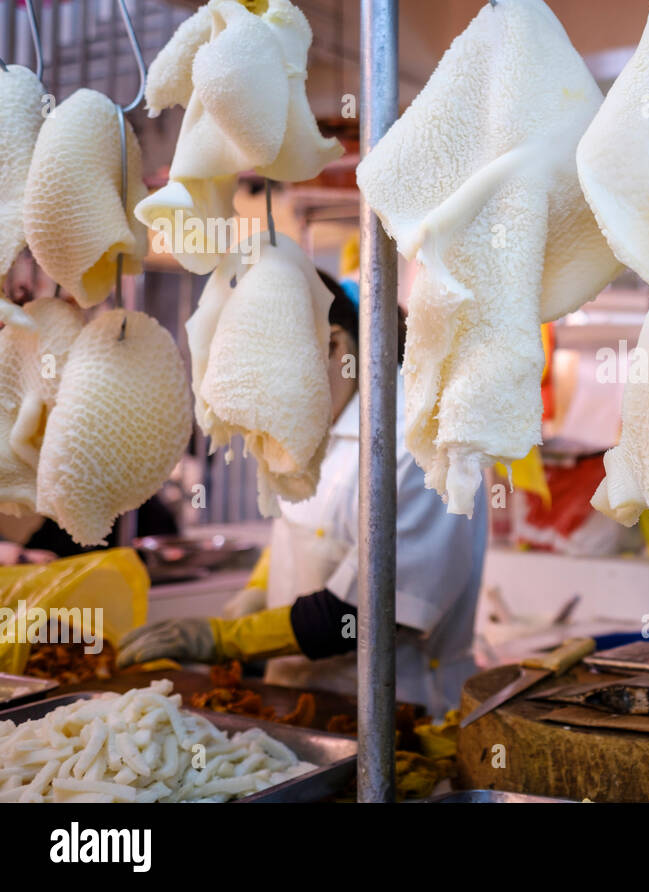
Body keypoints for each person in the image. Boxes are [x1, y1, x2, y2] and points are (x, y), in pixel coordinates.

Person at [118, 272, 487, 718]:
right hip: (302, 701)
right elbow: (299, 533)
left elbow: (370, 613)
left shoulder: (420, 441)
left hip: (398, 712)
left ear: (334, 347)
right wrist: (253, 598)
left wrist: (223, 639)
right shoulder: (315, 425)